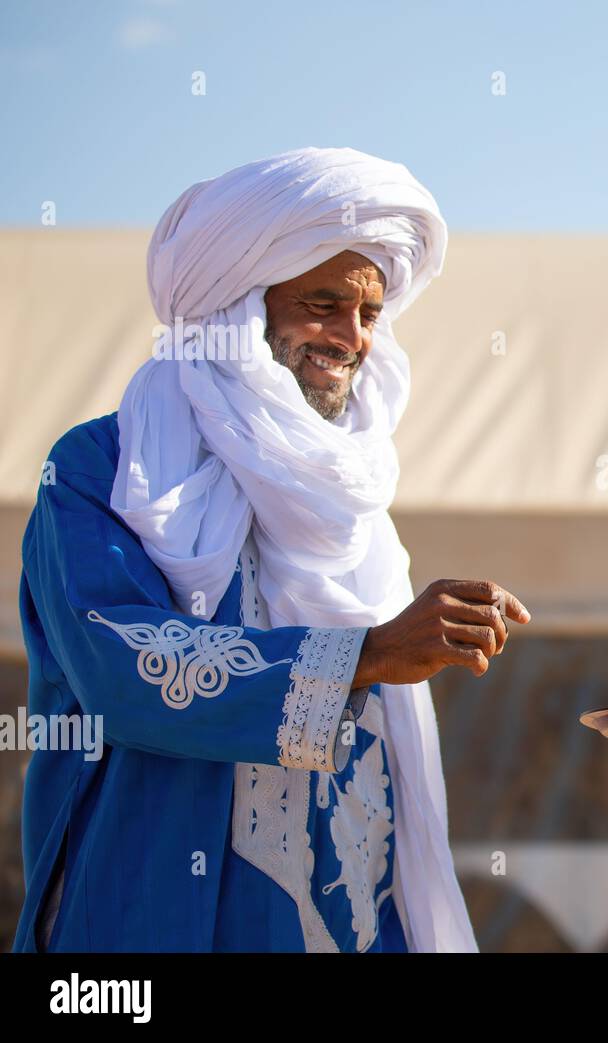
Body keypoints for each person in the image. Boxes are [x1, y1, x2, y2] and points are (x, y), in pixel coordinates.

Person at [14, 148, 529, 953]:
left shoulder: (353, 507)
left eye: (369, 313)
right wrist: (368, 652)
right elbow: (124, 670)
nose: (352, 337)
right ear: (235, 307)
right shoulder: (101, 472)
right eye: (322, 304)